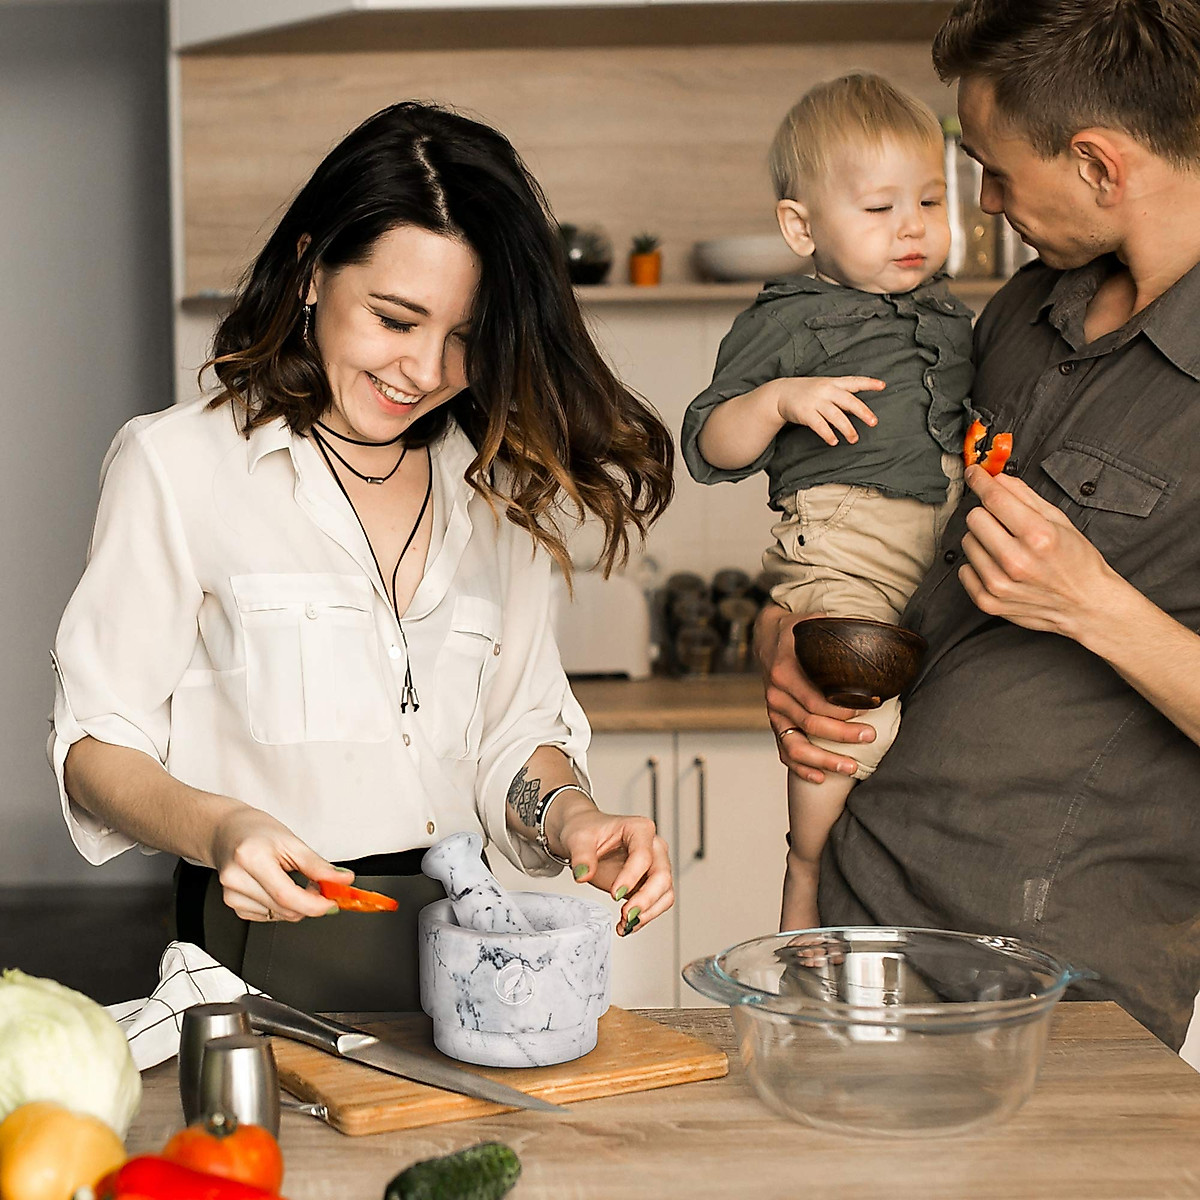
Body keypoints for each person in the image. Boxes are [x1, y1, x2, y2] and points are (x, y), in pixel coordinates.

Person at [48, 100, 676, 1012]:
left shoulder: (500, 491)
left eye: (464, 338)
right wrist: (223, 829)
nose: (424, 370)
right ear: (312, 271)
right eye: (395, 319)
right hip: (255, 962)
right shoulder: (178, 465)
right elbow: (96, 746)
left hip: (465, 970)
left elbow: (515, 734)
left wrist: (574, 818)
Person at [757, 0, 1200, 1050]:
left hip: (1052, 975)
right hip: (860, 902)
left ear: (1098, 165)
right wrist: (786, 633)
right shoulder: (1017, 313)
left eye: (994, 170)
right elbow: (888, 524)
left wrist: (1092, 606)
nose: (987, 202)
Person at [680, 74, 973, 931]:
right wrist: (777, 401)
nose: (912, 226)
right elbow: (709, 442)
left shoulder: (956, 320)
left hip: (946, 545)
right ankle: (806, 868)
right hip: (846, 541)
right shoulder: (787, 319)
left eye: (929, 201)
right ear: (801, 227)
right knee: (847, 705)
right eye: (880, 208)